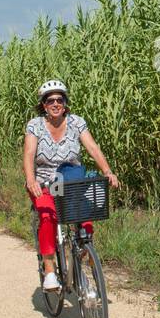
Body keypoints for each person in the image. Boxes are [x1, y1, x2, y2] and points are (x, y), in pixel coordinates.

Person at [22, 79, 120, 292]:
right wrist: (31, 181)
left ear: (65, 103)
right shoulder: (35, 126)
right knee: (48, 217)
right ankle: (49, 271)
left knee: (85, 223)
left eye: (59, 99)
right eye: (50, 101)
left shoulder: (76, 122)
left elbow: (93, 148)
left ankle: (81, 267)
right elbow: (29, 154)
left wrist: (107, 171)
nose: (55, 104)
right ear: (43, 105)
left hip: (72, 180)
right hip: (45, 182)